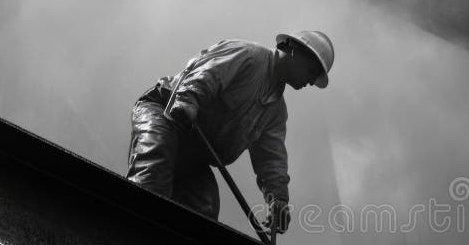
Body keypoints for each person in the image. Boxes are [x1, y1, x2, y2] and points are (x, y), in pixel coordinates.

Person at [126, 31, 334, 233]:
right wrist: (189, 99)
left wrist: (278, 198)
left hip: (195, 154)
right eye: (311, 71)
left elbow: (271, 159)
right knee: (155, 165)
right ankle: (129, 233)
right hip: (165, 115)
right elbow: (209, 72)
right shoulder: (248, 55)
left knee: (203, 208)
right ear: (295, 51)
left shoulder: (276, 114)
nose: (310, 82)